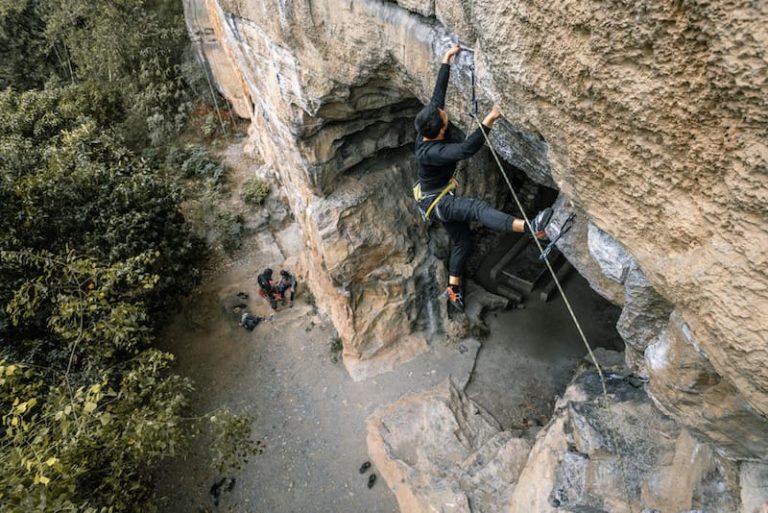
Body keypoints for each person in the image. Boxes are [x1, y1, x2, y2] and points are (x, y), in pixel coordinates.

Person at [414, 44, 552, 311]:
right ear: (440, 130)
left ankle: (453, 289)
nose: (445, 113)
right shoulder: (435, 152)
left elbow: (436, 99)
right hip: (440, 203)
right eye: (445, 118)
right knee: (477, 209)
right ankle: (532, 227)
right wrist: (490, 119)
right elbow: (467, 149)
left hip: (434, 195)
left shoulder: (424, 132)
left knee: (463, 241)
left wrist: (447, 60)